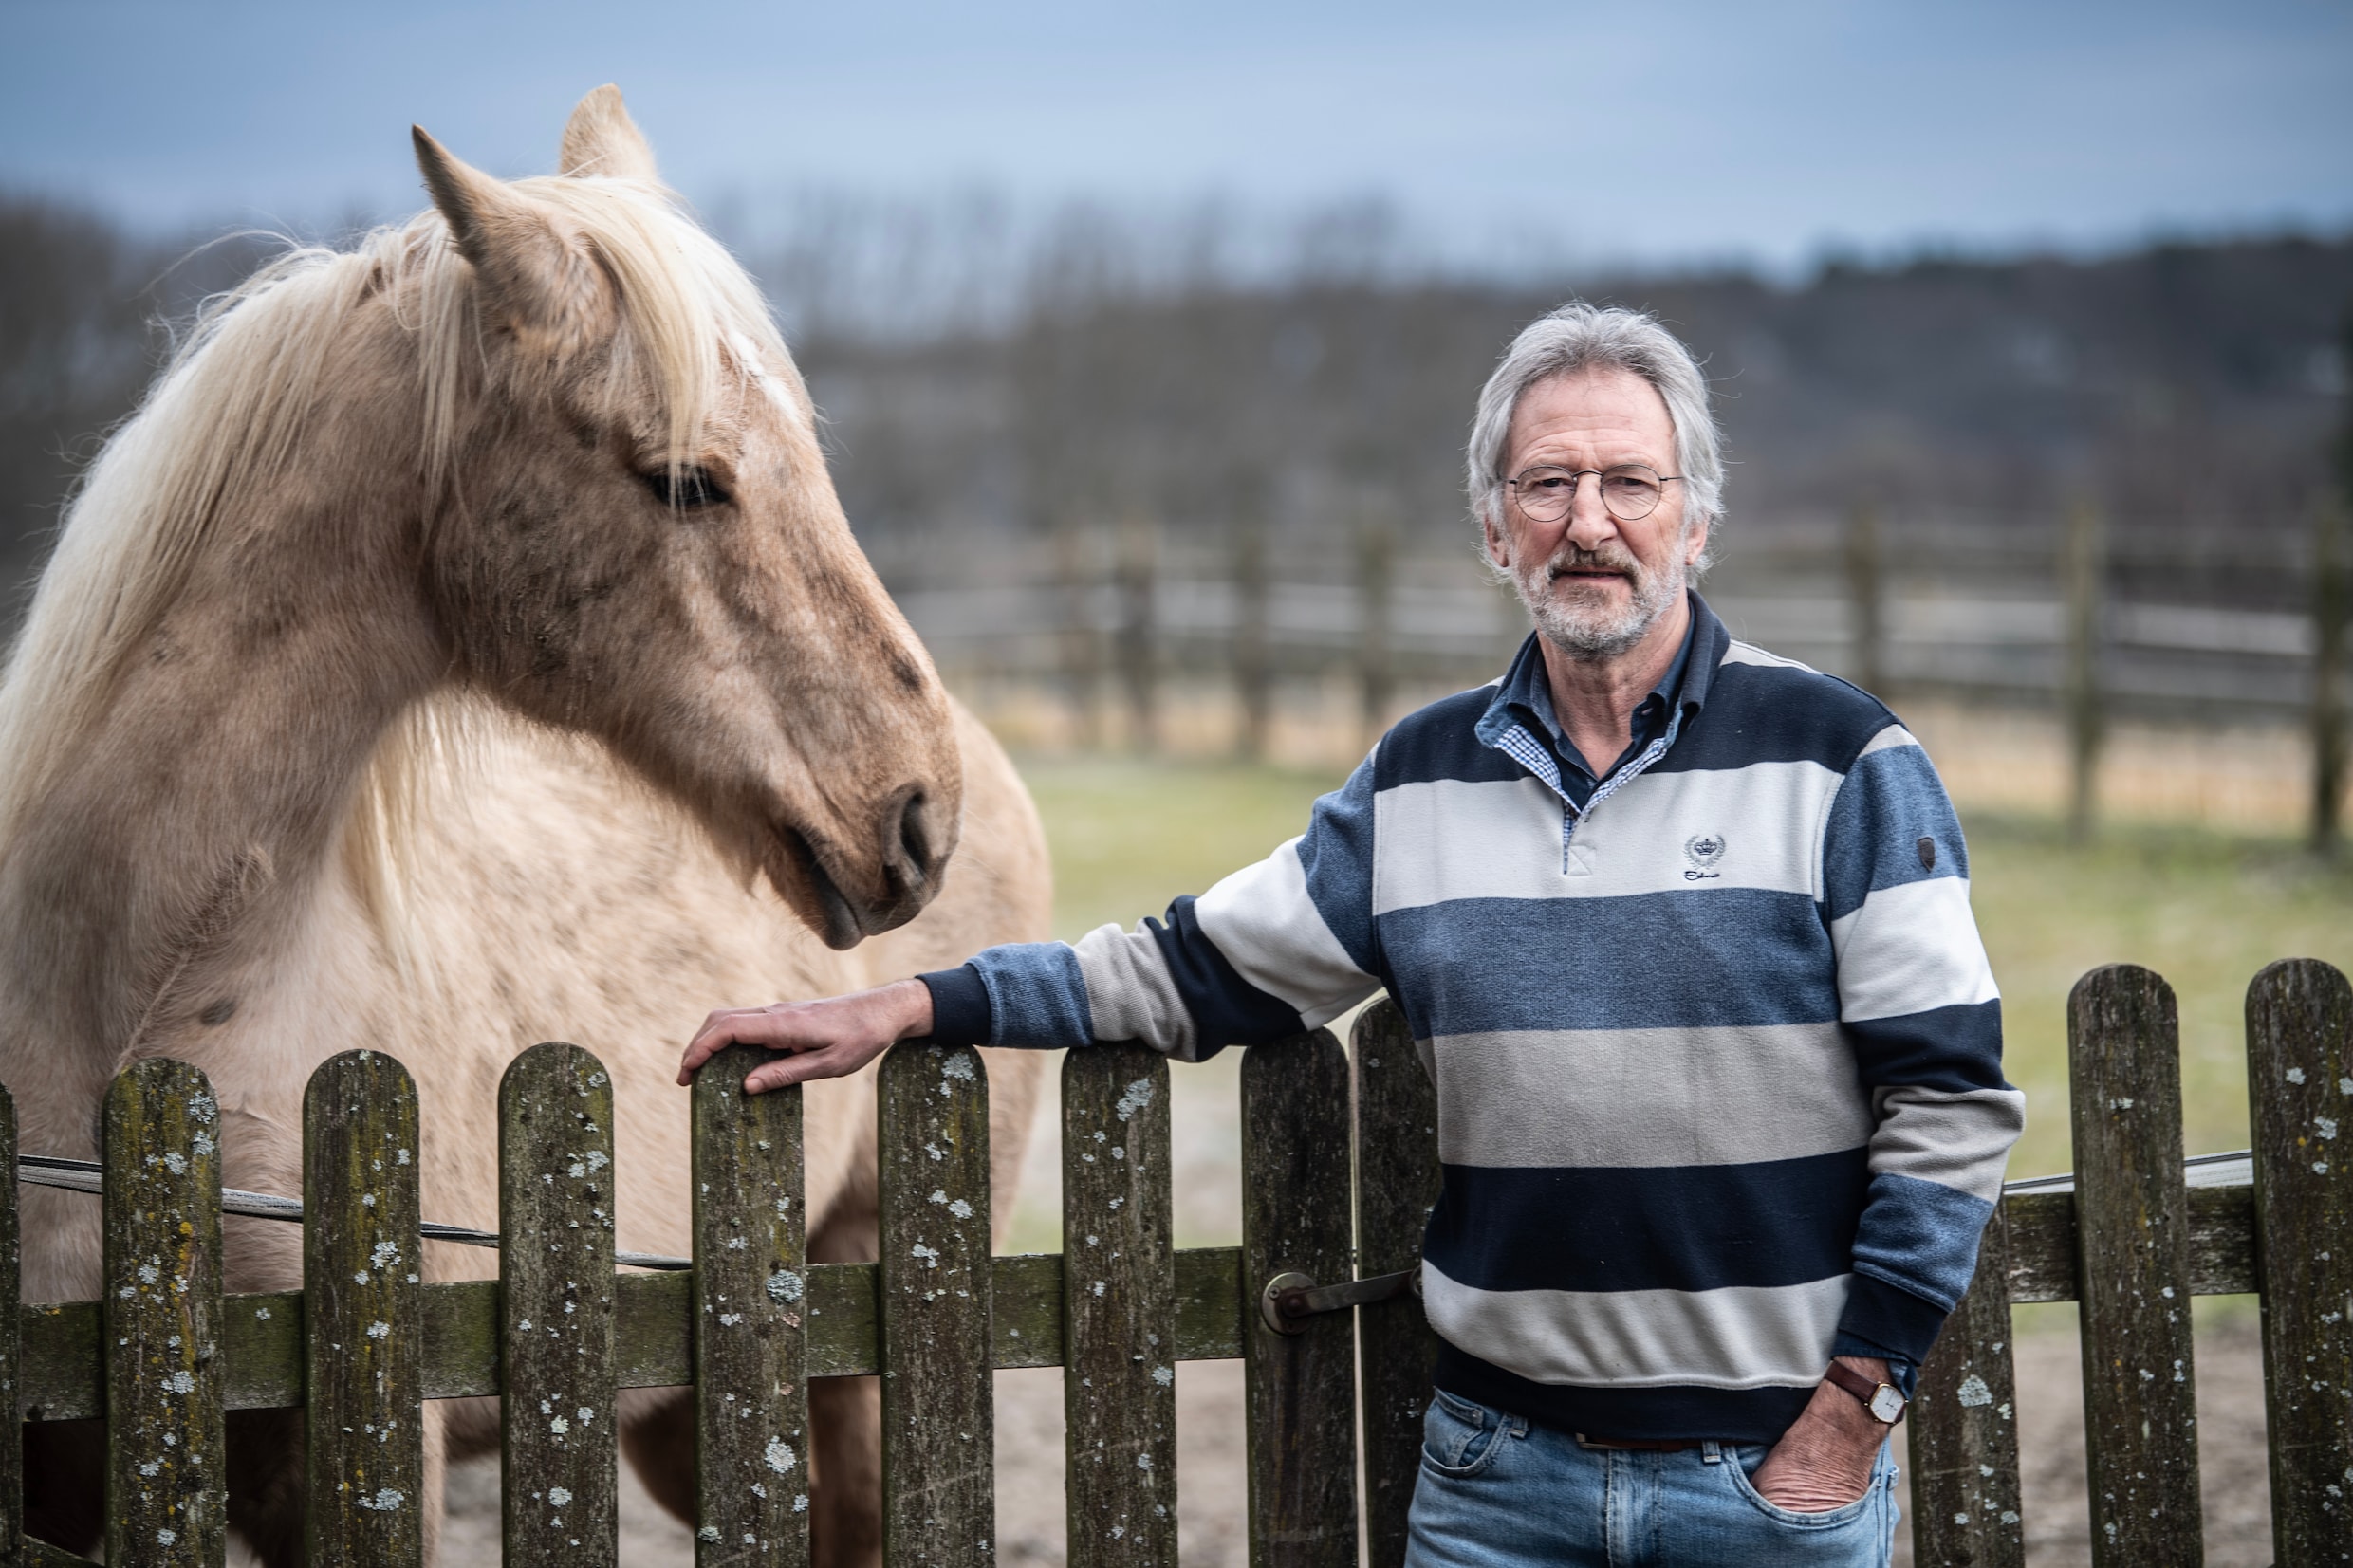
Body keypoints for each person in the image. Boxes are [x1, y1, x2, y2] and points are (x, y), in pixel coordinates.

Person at [678, 303, 2024, 1567]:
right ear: (1494, 527)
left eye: (1631, 481)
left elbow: (1953, 1103)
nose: (1589, 521)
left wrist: (1854, 1408)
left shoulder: (1844, 762)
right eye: (1546, 483)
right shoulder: (1421, 780)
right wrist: (914, 1004)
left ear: (1698, 519)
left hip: (1767, 1483)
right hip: (1501, 1483)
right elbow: (1192, 968)